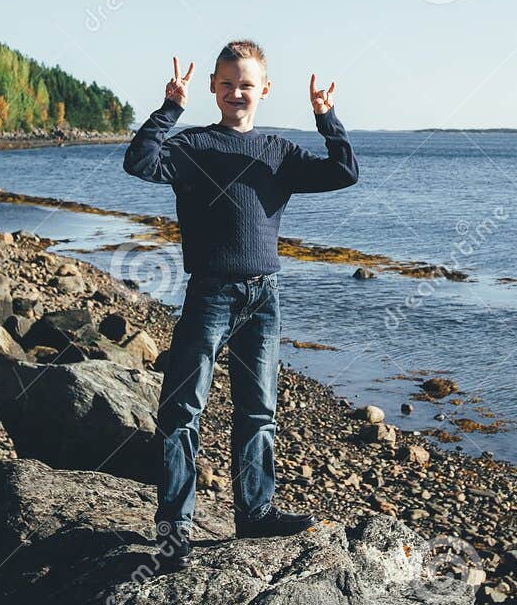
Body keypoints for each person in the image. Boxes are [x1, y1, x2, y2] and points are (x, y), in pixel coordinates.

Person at [122, 39, 359, 572]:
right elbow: (138, 161)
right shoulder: (193, 145)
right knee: (183, 410)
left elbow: (345, 173)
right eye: (226, 84)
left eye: (246, 85)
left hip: (264, 296)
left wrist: (327, 117)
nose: (236, 93)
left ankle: (255, 513)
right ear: (213, 87)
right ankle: (174, 531)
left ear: (264, 90)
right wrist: (169, 107)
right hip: (210, 293)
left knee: (259, 412)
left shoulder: (280, 153)